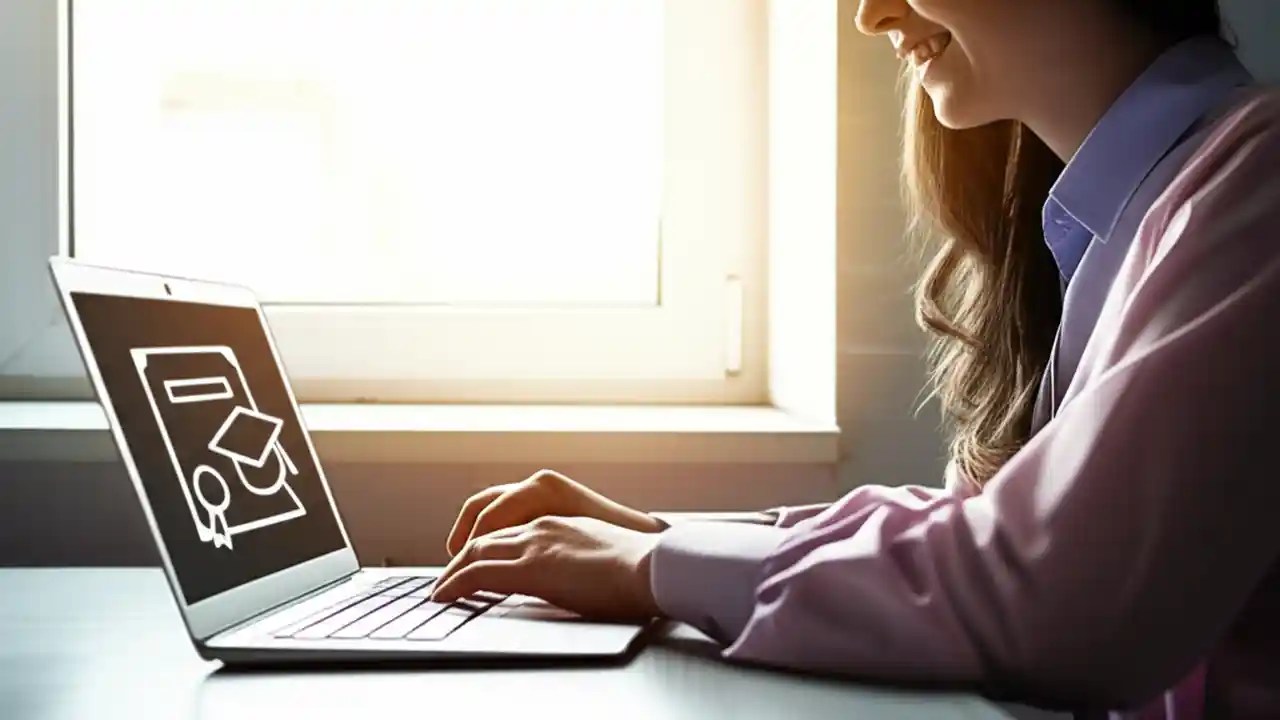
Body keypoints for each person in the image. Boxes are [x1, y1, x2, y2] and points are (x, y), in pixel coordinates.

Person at [428, 1, 1280, 717]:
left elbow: (1057, 595)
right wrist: (661, 538)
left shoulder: (1258, 182)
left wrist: (656, 569)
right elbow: (985, 537)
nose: (871, 14)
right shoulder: (1133, 215)